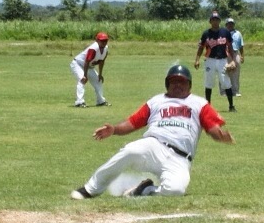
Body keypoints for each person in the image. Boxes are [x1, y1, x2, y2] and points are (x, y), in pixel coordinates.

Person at [71, 64, 235, 199]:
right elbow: (132, 123)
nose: (178, 85)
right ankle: (90, 189)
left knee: (175, 191)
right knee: (130, 150)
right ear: (167, 84)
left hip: (181, 157)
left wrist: (221, 136)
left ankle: (145, 190)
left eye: (182, 82)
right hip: (154, 145)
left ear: (189, 85)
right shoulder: (156, 101)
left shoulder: (199, 103)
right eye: (174, 82)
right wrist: (114, 129)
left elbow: (213, 129)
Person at [194, 11, 236, 112]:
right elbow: (201, 47)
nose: (215, 21)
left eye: (217, 19)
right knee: (208, 83)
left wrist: (233, 61)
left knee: (226, 82)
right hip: (210, 61)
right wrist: (197, 60)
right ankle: (208, 107)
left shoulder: (225, 32)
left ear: (219, 21)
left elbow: (230, 47)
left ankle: (231, 106)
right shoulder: (206, 33)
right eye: (213, 19)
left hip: (222, 60)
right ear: (210, 21)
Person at [70, 32, 110, 108]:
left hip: (88, 67)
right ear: (97, 40)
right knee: (82, 80)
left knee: (98, 80)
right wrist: (85, 75)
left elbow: (102, 62)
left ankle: (100, 101)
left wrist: (100, 75)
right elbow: (87, 62)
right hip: (78, 64)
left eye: (105, 40)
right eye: (102, 40)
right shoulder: (93, 48)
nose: (104, 42)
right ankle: (79, 102)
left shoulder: (106, 49)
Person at [224, 17, 245, 97]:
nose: (230, 25)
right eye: (229, 24)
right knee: (225, 72)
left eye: (232, 24)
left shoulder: (238, 33)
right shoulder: (223, 33)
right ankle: (224, 92)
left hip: (236, 53)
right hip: (225, 54)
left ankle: (235, 91)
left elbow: (241, 45)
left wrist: (242, 56)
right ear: (226, 25)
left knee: (235, 73)